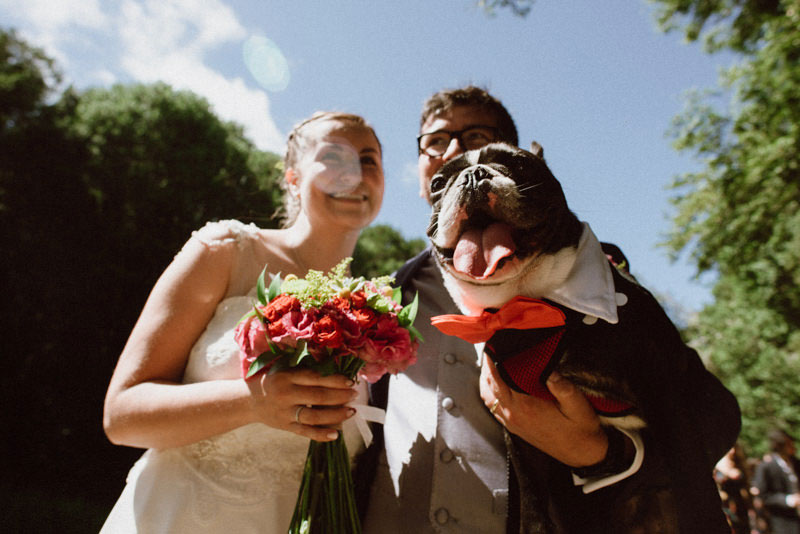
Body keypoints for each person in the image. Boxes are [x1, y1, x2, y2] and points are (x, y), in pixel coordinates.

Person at [355, 86, 740, 532]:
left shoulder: (597, 279)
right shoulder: (386, 295)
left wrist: (600, 454)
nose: (455, 149)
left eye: (476, 135)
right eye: (436, 142)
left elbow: (706, 419)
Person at [101, 111, 384, 533]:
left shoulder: (372, 309)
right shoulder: (225, 253)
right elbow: (122, 416)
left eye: (368, 159)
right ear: (292, 177)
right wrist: (253, 400)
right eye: (334, 156)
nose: (355, 174)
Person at [753, 428, 800, 534]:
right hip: (783, 523)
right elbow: (763, 496)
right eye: (789, 444)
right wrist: (788, 500)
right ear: (780, 446)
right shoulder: (766, 467)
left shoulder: (796, 463)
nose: (793, 447)